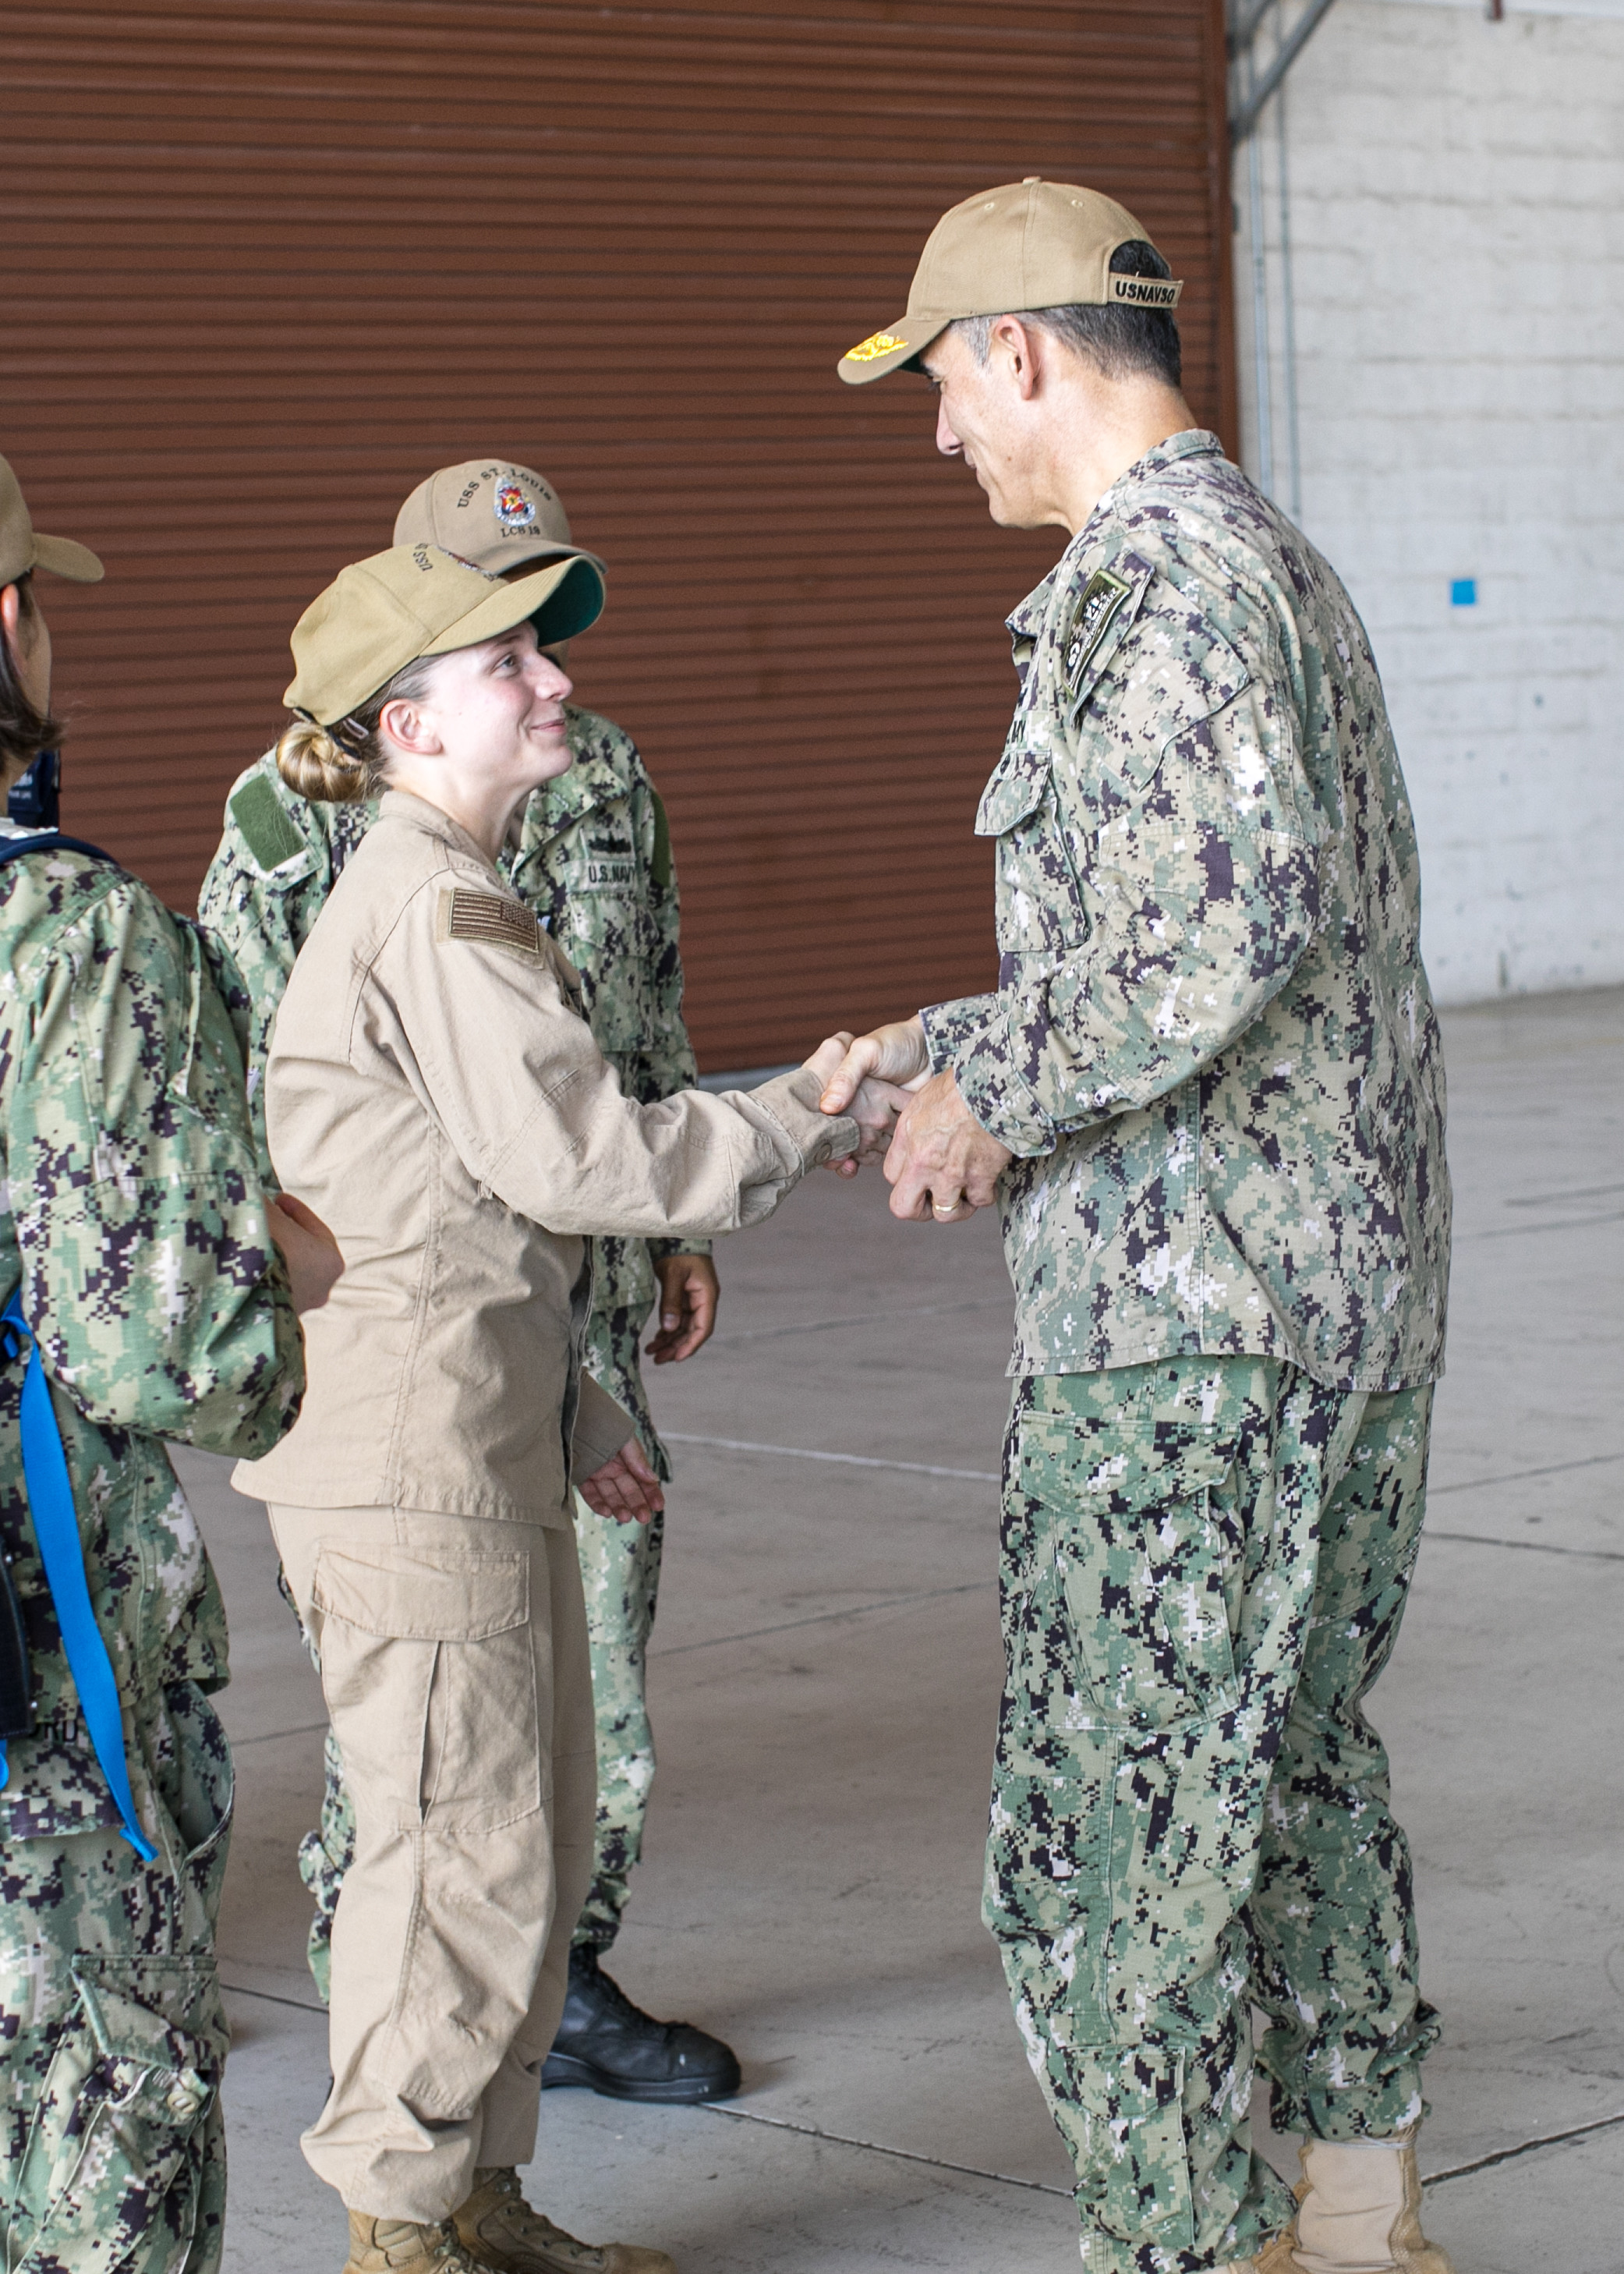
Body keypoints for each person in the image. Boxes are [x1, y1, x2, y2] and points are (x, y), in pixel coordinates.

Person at [820, 180, 1456, 2274]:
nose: (935, 438)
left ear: (1020, 348)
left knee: (1115, 1840)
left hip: (1199, 1322)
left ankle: (1186, 2245)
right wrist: (932, 1033)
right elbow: (1198, 914)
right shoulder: (1258, 560)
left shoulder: (1157, 582)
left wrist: (983, 1092)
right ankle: (1355, 2211)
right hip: (1316, 1289)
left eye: (938, 386)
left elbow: (1218, 930)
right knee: (1278, 1761)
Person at [231, 538, 858, 2274]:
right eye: (512, 663)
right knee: (451, 1861)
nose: (557, 684)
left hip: (469, 1437)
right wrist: (813, 1107)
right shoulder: (431, 907)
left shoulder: (451, 887)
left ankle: (477, 2197)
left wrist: (578, 1407)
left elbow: (454, 1206)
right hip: (406, 1468)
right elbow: (585, 1159)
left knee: (521, 1842)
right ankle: (401, 2229)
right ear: (411, 723)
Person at [200, 460, 738, 2102]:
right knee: (433, 1686)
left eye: (544, 594)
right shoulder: (296, 819)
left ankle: (552, 1970)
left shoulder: (604, 768)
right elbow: (252, 1081)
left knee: (584, 1659)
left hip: (568, 1288)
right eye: (496, 610)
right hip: (412, 1306)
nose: (543, 650)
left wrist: (669, 1236)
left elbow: (636, 997)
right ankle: (394, 1972)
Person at [0, 455, 338, 2274]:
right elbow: (160, 1344)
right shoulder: (70, 941)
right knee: (92, 2118)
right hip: (41, 1676)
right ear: (7, 626)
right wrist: (285, 1270)